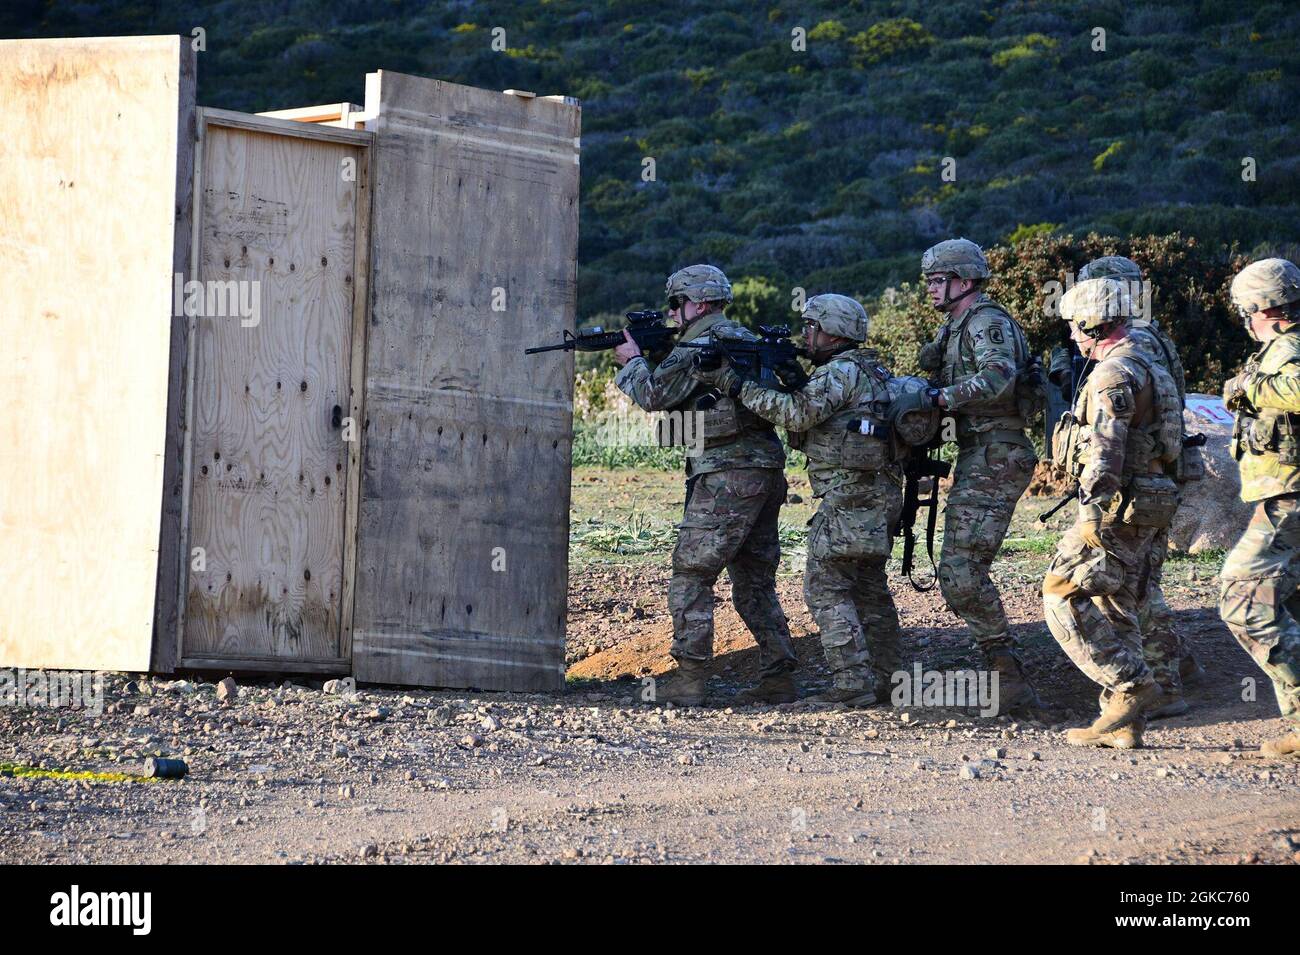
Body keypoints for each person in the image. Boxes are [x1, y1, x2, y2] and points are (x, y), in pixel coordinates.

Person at [694, 294, 905, 705]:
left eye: (812, 327)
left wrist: (734, 383)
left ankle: (852, 686)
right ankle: (887, 681)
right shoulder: (874, 369)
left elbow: (794, 414)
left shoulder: (838, 373)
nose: (805, 334)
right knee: (869, 589)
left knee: (825, 588)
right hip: (879, 494)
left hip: (848, 497)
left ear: (834, 332)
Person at [613, 265, 797, 706]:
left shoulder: (697, 344)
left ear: (694, 304)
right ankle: (779, 676)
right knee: (755, 580)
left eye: (675, 304)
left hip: (725, 475)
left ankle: (690, 679)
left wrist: (632, 361)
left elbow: (654, 396)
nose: (672, 313)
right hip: (766, 472)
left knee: (692, 574)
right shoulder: (747, 340)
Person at [1042, 278, 1183, 748]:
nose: (1070, 337)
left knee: (1061, 591)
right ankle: (1124, 725)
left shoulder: (1111, 374)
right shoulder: (1152, 366)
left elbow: (1104, 454)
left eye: (1073, 327)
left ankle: (1132, 688)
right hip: (1153, 499)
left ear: (1092, 323)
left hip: (1119, 505)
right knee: (1117, 601)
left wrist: (1090, 517)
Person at [914, 238, 1042, 713]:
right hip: (981, 452)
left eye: (937, 279)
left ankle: (1007, 675)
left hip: (997, 453)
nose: (929, 288)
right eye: (928, 279)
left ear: (963, 281)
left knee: (961, 572)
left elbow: (997, 378)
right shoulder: (957, 325)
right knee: (962, 568)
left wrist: (938, 398)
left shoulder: (986, 322)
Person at [1077, 256, 1203, 720]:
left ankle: (1155, 684)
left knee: (1128, 587)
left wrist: (1097, 495)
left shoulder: (1131, 349)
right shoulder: (1154, 339)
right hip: (1159, 475)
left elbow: (1117, 429)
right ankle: (1174, 672)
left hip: (1137, 479)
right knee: (1144, 583)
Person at [1219, 257, 1300, 758]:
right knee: (1286, 603)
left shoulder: (1290, 348)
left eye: (1246, 310)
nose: (1244, 320)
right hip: (1283, 495)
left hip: (1290, 500)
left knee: (1242, 599)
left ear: (1263, 307)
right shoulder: (1278, 348)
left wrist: (1251, 387)